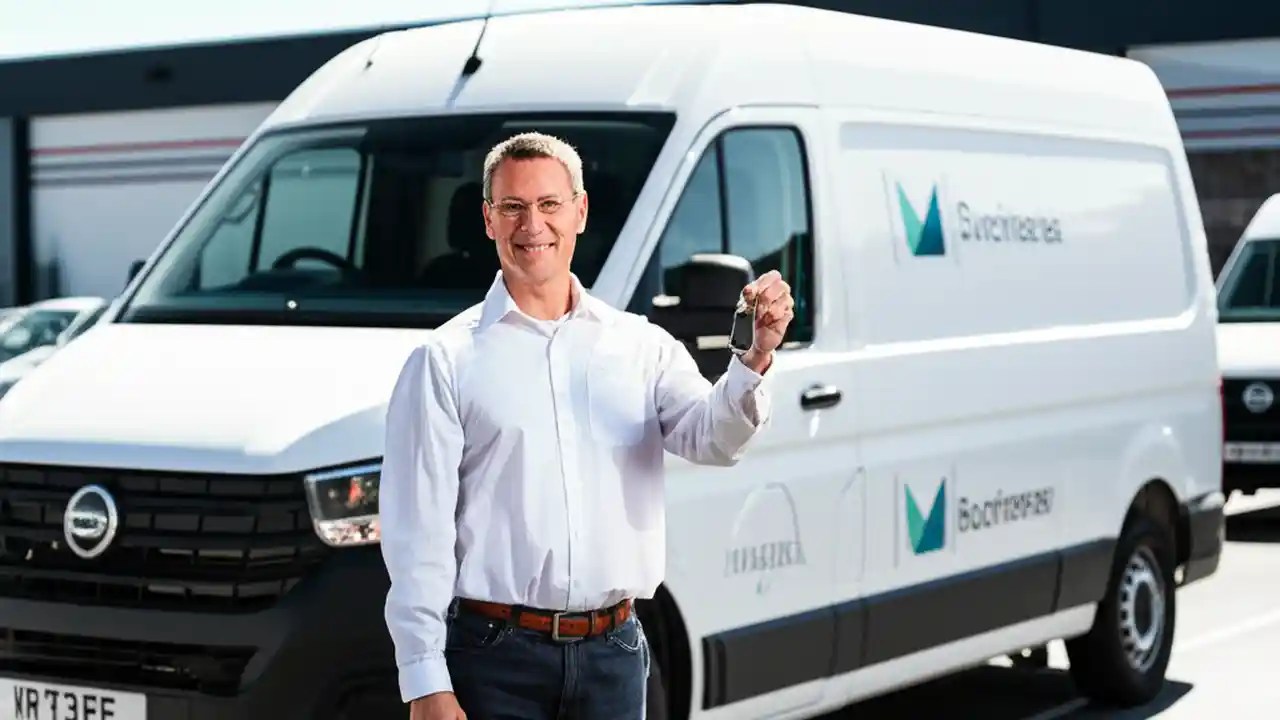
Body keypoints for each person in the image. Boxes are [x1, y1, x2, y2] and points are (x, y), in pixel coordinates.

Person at [378, 131, 794, 720]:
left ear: (580, 211)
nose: (533, 225)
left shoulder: (640, 346)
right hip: (493, 660)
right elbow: (416, 535)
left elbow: (714, 439)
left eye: (549, 205)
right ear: (488, 220)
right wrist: (424, 681)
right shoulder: (445, 360)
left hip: (615, 656)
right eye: (513, 207)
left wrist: (753, 359)